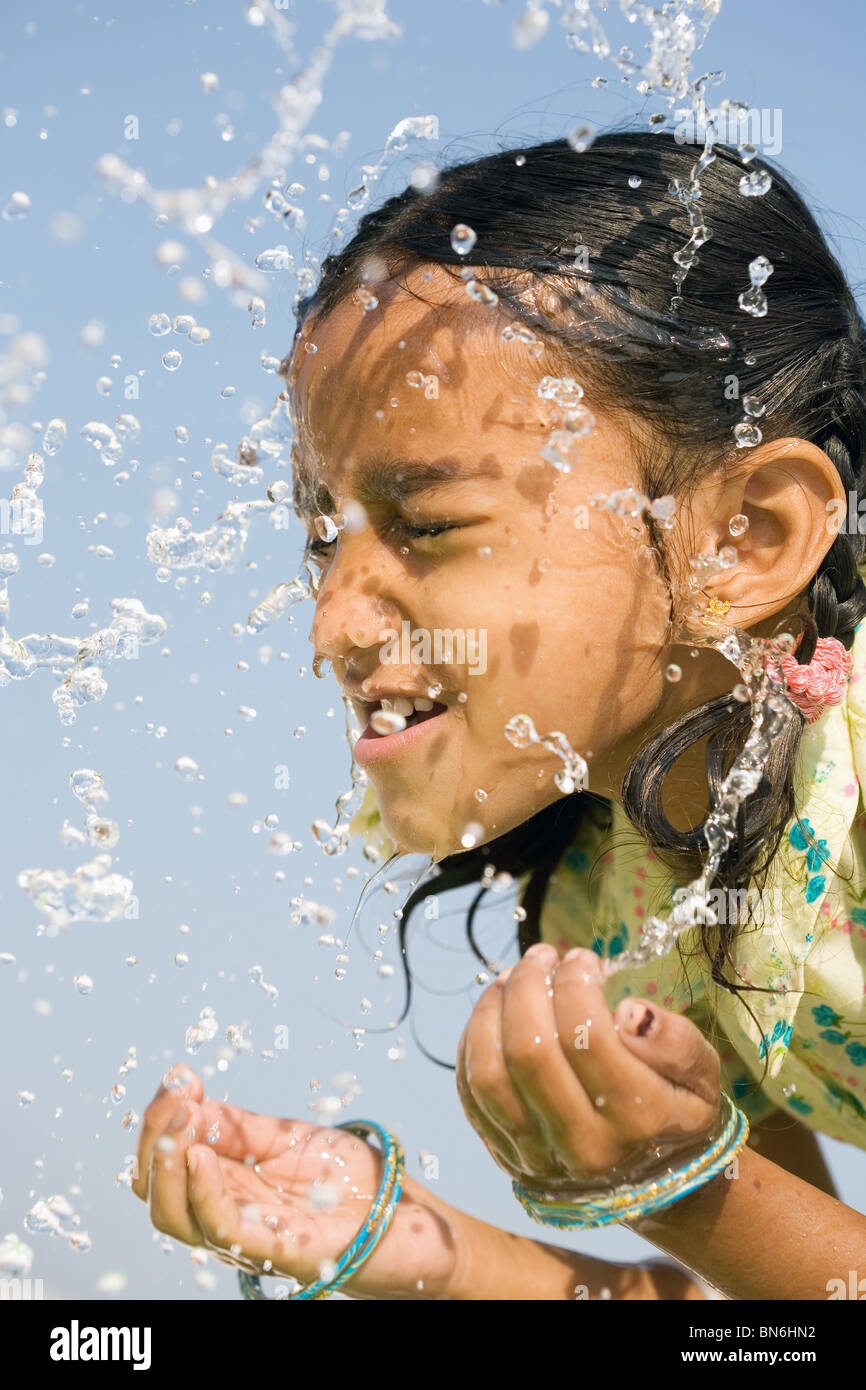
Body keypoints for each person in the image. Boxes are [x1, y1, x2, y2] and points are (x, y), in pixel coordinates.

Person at [134, 131, 866, 1299]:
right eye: (325, 540)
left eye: (424, 527)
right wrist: (417, 1248)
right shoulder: (615, 902)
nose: (331, 625)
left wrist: (681, 1189)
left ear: (747, 537)